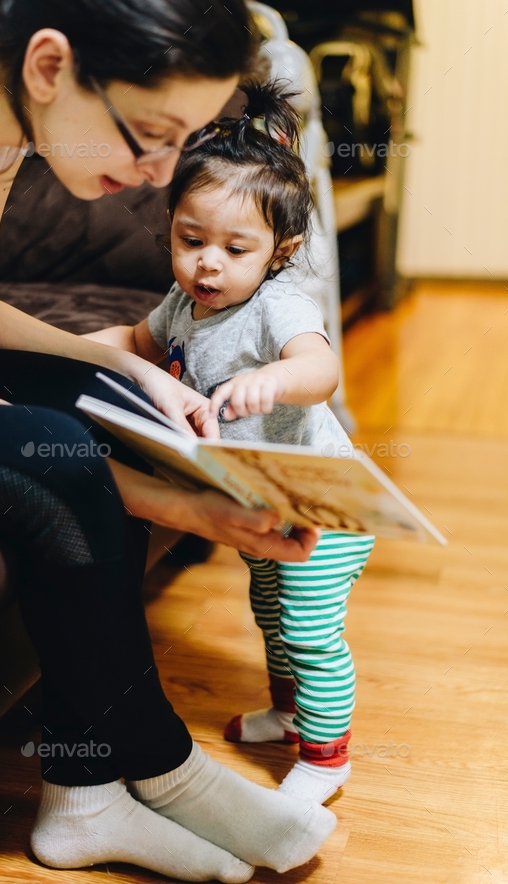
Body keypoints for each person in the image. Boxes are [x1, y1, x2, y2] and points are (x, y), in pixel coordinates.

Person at [0, 1, 338, 878]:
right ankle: (162, 763)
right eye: (149, 136)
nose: (158, 175)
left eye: (177, 144)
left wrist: (135, 370)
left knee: (118, 399)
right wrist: (192, 510)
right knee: (51, 440)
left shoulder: (0, 121)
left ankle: (83, 794)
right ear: (49, 66)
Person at [89, 81, 375, 807]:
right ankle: (288, 713)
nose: (207, 264)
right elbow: (135, 341)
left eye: (234, 248)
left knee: (309, 630)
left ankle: (327, 757)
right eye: (191, 241)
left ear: (281, 252)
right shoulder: (183, 304)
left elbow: (319, 369)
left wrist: (275, 379)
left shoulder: (279, 304)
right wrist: (70, 347)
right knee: (271, 614)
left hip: (323, 503)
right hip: (254, 496)